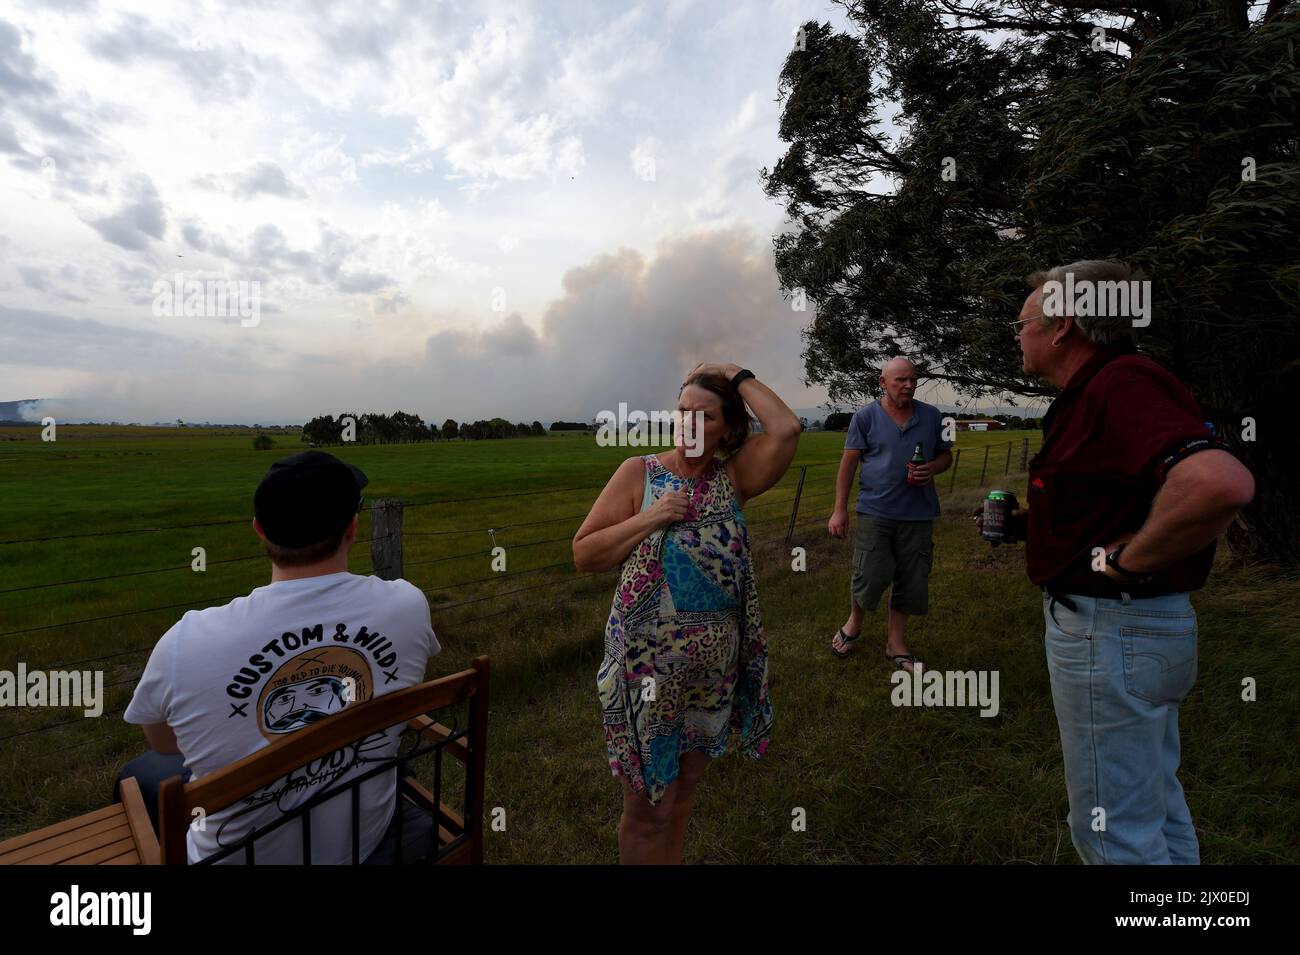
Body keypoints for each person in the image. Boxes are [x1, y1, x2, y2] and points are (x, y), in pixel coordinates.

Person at [985, 260, 1254, 864]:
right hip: (1143, 629)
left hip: (1112, 630)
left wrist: (1126, 566)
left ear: (1063, 327)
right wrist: (1031, 527)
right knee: (1155, 800)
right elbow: (1116, 499)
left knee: (1112, 832)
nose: (1017, 333)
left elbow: (1217, 483)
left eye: (1023, 320)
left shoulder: (1120, 382)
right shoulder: (1104, 387)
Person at [117, 450, 441, 864]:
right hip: (364, 838)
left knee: (139, 775)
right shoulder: (408, 606)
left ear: (258, 530)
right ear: (353, 529)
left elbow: (163, 742)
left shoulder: (187, 643)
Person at [573, 363, 799, 864]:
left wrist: (731, 372)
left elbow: (785, 428)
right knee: (649, 806)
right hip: (646, 673)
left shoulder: (734, 477)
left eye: (706, 417)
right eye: (682, 413)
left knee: (683, 796)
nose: (689, 425)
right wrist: (651, 516)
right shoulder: (641, 473)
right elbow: (585, 554)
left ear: (729, 429)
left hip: (711, 673)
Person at [827, 357, 953, 671]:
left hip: (918, 514)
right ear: (883, 382)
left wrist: (931, 468)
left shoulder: (932, 416)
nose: (908, 385)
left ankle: (895, 643)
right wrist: (839, 510)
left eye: (912, 379)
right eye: (900, 380)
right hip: (875, 511)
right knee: (868, 573)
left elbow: (945, 457)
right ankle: (855, 623)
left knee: (912, 579)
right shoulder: (865, 417)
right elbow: (848, 465)